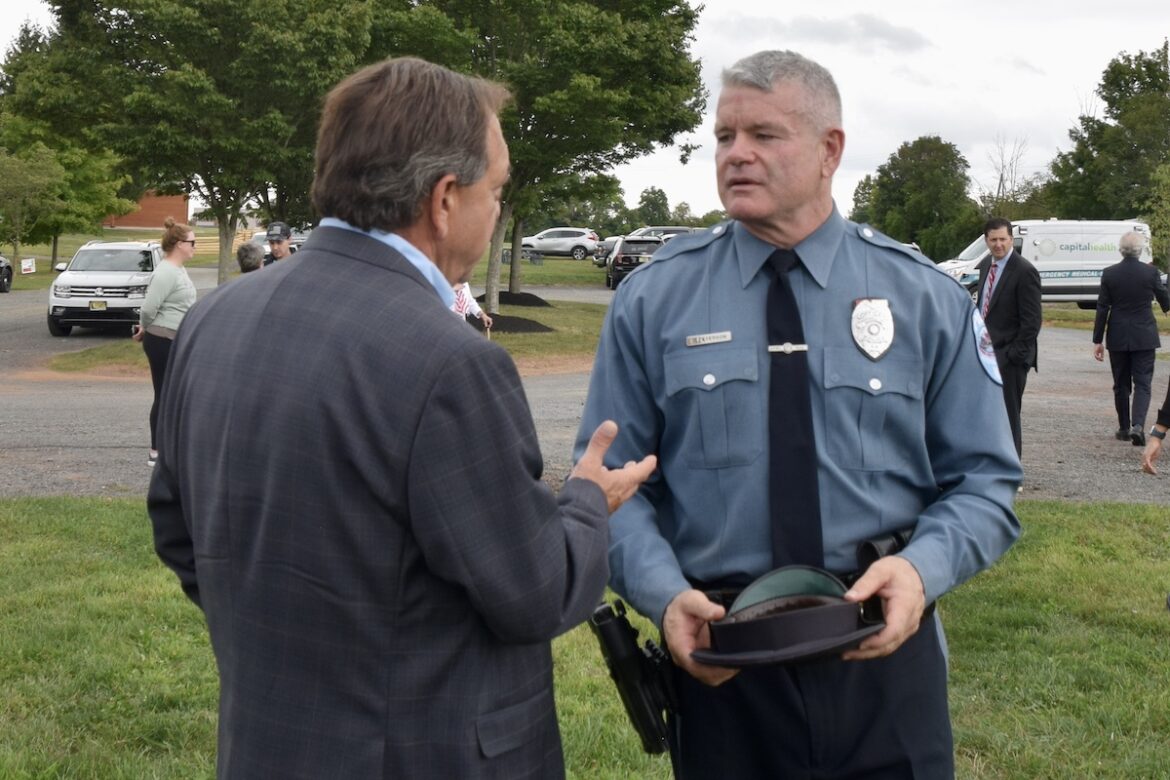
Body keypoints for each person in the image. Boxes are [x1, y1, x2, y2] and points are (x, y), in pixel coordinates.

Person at [148, 57, 656, 779]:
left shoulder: (215, 318)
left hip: (267, 742)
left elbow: (177, 529)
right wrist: (585, 501)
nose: (499, 211)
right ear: (445, 198)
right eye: (498, 189)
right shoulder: (450, 361)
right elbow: (535, 591)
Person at [573, 50, 1021, 778]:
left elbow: (987, 482)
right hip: (725, 664)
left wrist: (919, 572)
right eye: (724, 137)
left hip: (884, 660)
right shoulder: (654, 301)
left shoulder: (923, 298)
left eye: (763, 135)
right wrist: (662, 596)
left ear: (829, 150)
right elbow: (613, 488)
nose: (736, 155)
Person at [1091, 231, 1169, 446]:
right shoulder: (1150, 273)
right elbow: (1164, 298)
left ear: (1120, 250)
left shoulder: (1109, 274)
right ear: (1141, 249)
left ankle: (1124, 428)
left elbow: (1102, 307)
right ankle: (1138, 425)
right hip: (1144, 335)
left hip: (1117, 334)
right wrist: (1166, 306)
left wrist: (1097, 339)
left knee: (1121, 384)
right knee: (1143, 383)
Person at [132, 217, 197, 467]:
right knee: (165, 394)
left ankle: (173, 446)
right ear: (179, 244)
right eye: (192, 242)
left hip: (176, 338)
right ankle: (156, 451)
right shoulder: (166, 271)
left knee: (178, 393)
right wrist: (144, 328)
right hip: (162, 340)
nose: (195, 246)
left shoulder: (179, 269)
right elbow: (149, 308)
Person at [978, 216, 1042, 459]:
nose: (998, 244)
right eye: (993, 240)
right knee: (987, 413)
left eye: (1003, 239)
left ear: (1011, 240)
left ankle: (1011, 471)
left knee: (1008, 414)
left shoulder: (1025, 271)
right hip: (986, 353)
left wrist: (1014, 355)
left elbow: (1032, 321)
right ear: (986, 241)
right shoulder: (986, 265)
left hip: (1010, 358)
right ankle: (989, 464)